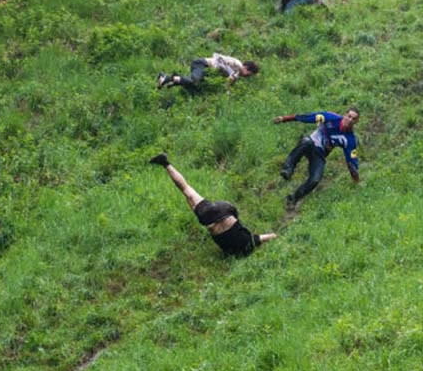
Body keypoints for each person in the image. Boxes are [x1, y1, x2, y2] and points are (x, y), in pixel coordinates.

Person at [148, 152, 276, 258]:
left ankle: (166, 163)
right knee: (187, 192)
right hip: (213, 218)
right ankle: (166, 164)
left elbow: (269, 237)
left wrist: (275, 236)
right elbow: (269, 237)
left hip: (223, 212)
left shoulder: (249, 242)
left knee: (187, 192)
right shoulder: (245, 245)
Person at [272, 108, 361, 205]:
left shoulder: (350, 139)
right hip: (311, 143)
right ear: (345, 115)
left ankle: (293, 198)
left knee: (315, 179)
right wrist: (284, 119)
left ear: (356, 121)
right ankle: (288, 169)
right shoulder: (330, 117)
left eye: (353, 119)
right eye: (349, 116)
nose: (350, 120)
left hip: (320, 154)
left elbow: (351, 161)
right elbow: (308, 117)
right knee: (306, 141)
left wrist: (356, 181)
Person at [157, 54, 259, 92]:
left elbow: (226, 86)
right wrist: (229, 73)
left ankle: (173, 78)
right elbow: (218, 57)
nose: (247, 76)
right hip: (202, 64)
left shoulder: (236, 75)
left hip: (207, 72)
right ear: (246, 68)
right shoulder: (237, 64)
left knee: (197, 89)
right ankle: (168, 78)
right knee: (195, 82)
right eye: (249, 74)